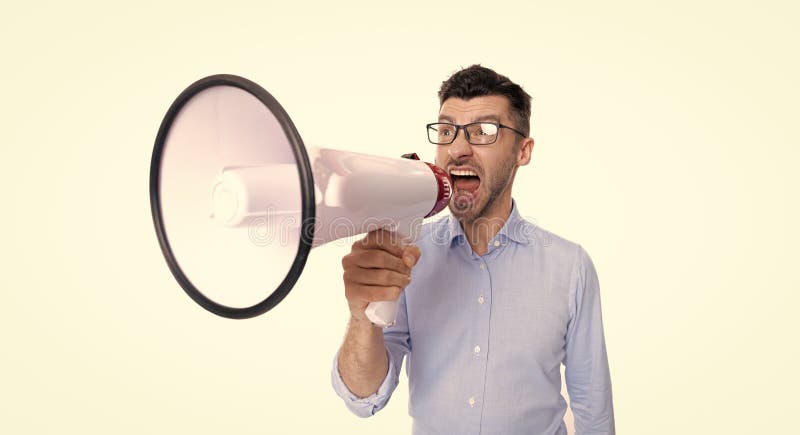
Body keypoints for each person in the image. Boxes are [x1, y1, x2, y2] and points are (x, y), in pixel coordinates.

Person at [331, 65, 615, 434]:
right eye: (447, 131)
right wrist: (362, 315)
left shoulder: (570, 267)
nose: (458, 149)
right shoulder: (405, 257)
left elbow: (592, 409)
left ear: (523, 150)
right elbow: (364, 396)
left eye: (484, 131)